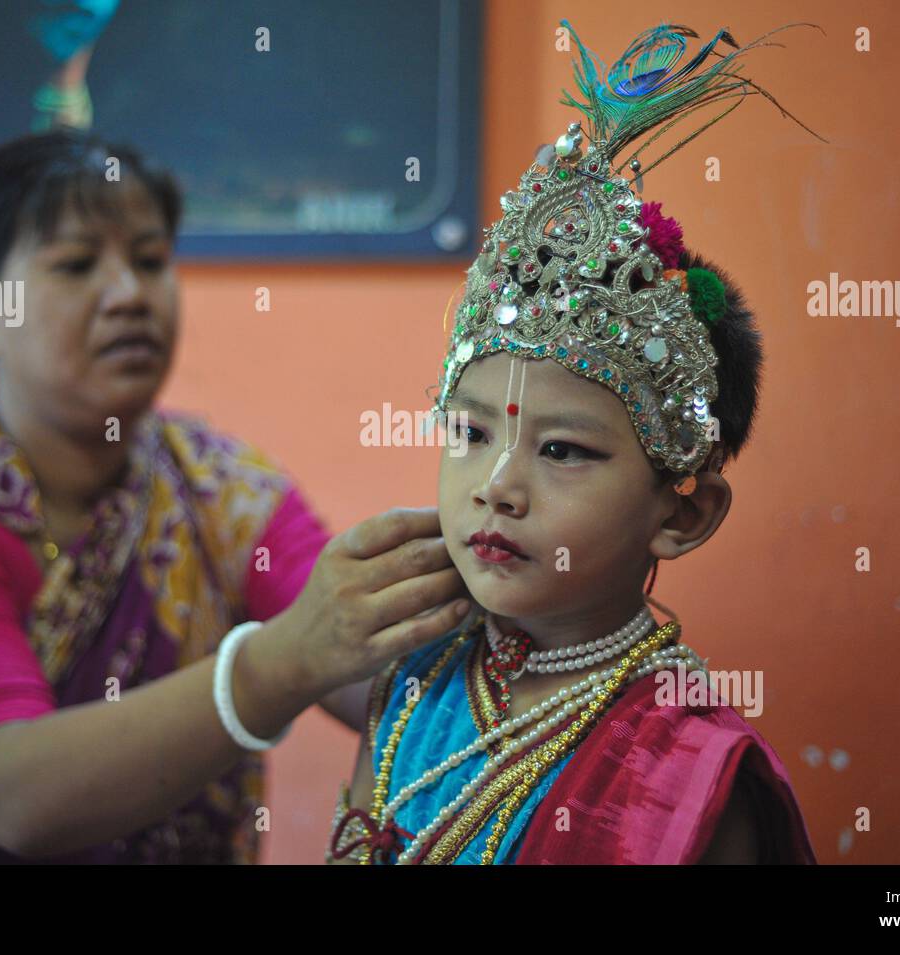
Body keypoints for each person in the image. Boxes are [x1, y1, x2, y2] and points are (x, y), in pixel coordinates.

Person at [0, 129, 470, 864]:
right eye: (76, 264)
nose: (130, 294)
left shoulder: (221, 487)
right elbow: (14, 796)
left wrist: (502, 621)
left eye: (150, 259)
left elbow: (379, 674)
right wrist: (279, 664)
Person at [328, 20, 823, 865]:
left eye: (561, 451)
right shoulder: (414, 689)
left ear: (683, 512)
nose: (496, 485)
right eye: (471, 431)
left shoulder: (696, 778)